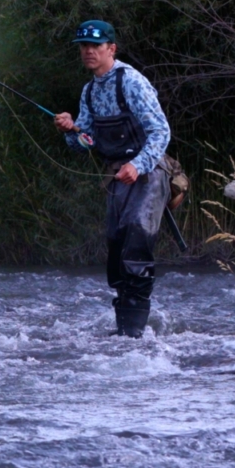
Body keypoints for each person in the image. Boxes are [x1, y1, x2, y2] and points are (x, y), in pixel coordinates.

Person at [52, 20, 172, 338]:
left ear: (111, 49)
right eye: (83, 46)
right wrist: (70, 129)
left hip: (148, 172)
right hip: (116, 177)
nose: (89, 51)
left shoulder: (131, 81)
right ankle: (126, 335)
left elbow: (161, 131)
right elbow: (86, 142)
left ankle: (134, 336)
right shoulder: (89, 91)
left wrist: (139, 165)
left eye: (96, 45)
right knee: (117, 250)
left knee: (136, 241)